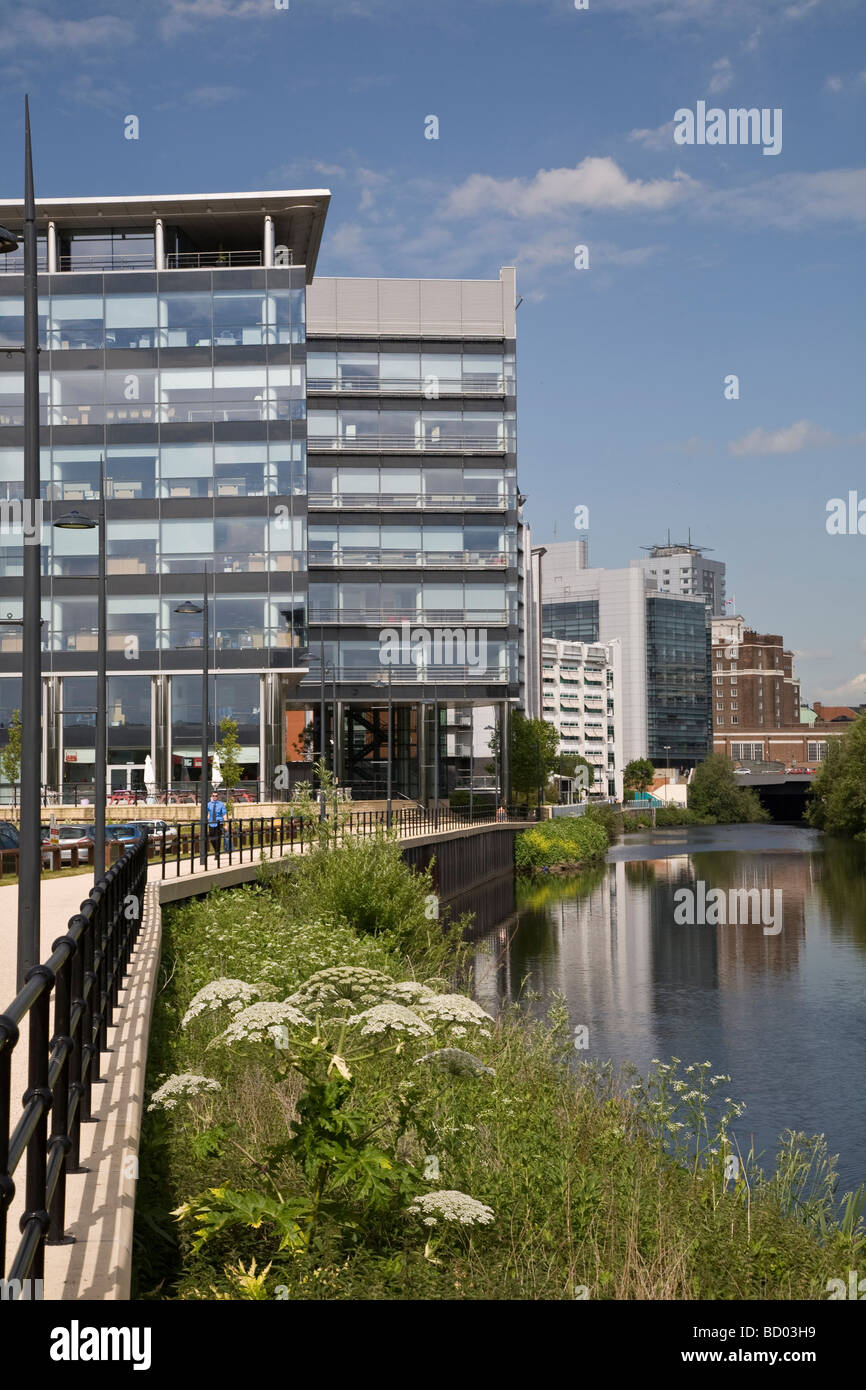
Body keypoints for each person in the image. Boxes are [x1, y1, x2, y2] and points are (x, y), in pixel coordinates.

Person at [207, 789, 227, 854]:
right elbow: (208, 813)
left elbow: (224, 814)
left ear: (218, 797)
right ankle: (216, 850)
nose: (215, 797)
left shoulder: (221, 804)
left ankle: (217, 853)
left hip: (219, 823)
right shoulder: (209, 804)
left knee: (218, 838)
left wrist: (226, 824)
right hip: (211, 823)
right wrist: (207, 822)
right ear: (211, 796)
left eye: (216, 796)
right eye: (213, 796)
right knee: (211, 839)